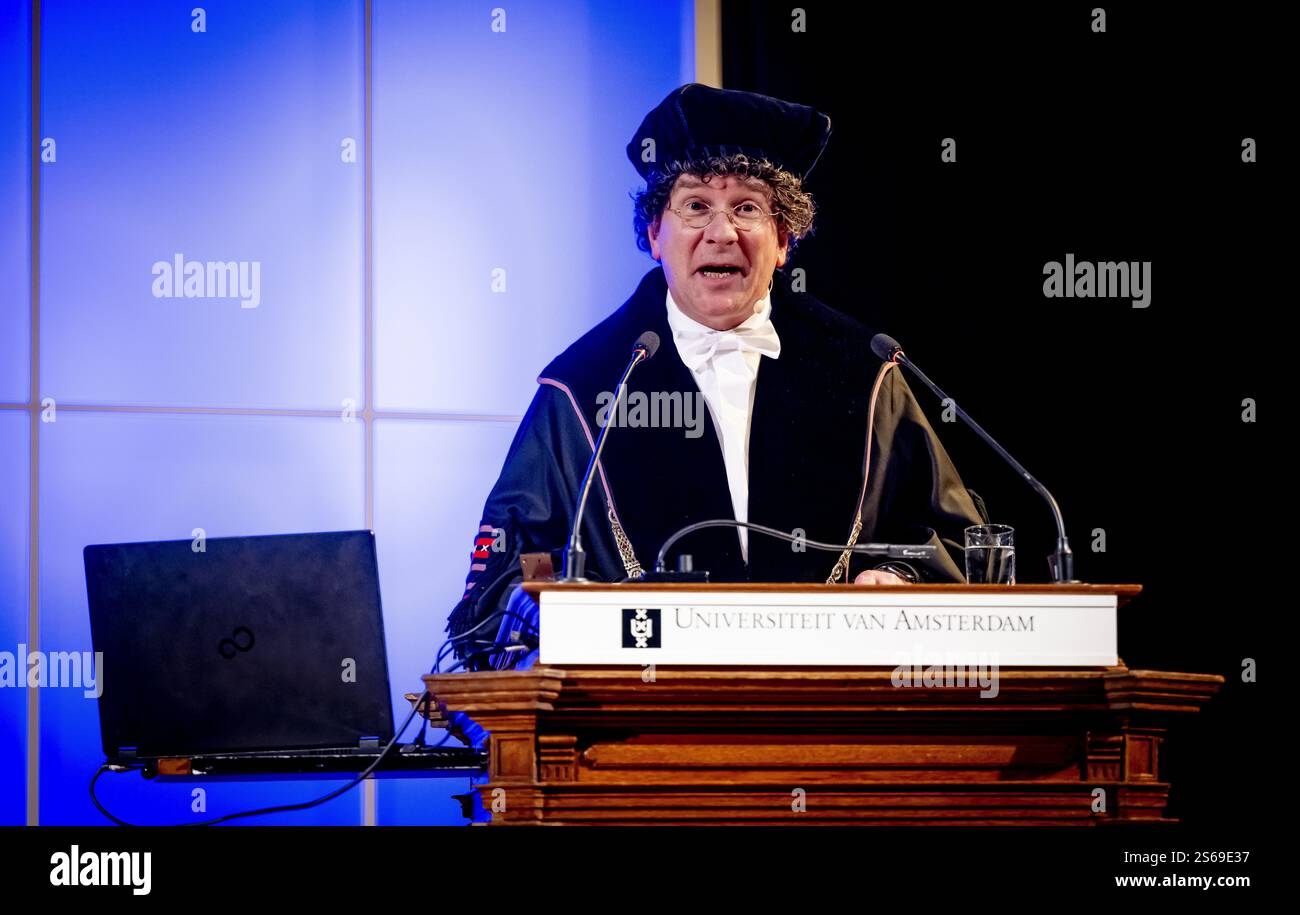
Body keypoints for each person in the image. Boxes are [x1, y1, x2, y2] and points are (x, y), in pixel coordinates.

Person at [445, 84, 984, 663]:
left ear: (783, 239)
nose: (722, 231)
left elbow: (954, 535)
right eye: (695, 205)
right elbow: (504, 585)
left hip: (835, 710)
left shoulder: (867, 371)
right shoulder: (583, 387)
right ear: (655, 234)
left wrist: (898, 577)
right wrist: (584, 625)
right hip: (638, 722)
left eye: (748, 207)